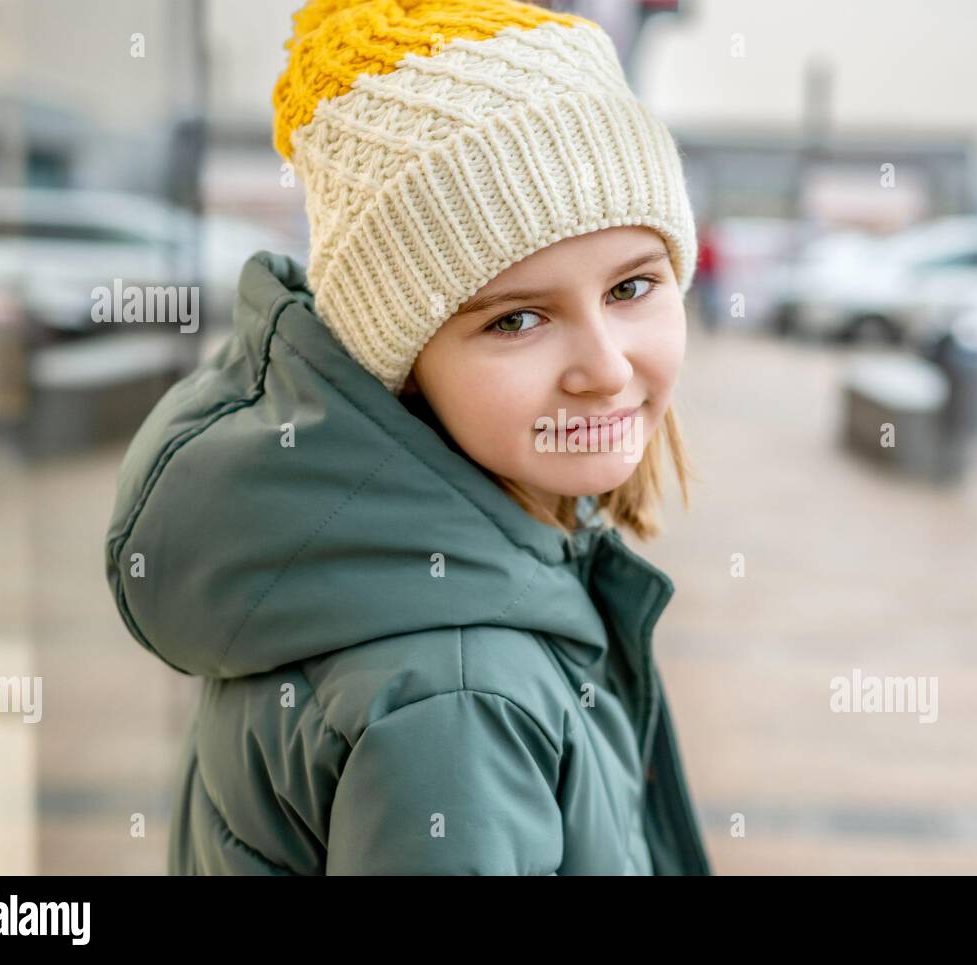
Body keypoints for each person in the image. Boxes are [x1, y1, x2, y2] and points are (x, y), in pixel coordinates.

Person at [103, 0, 711, 875]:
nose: (606, 368)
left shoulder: (400, 585)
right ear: (404, 361)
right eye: (518, 319)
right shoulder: (457, 705)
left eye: (631, 287)